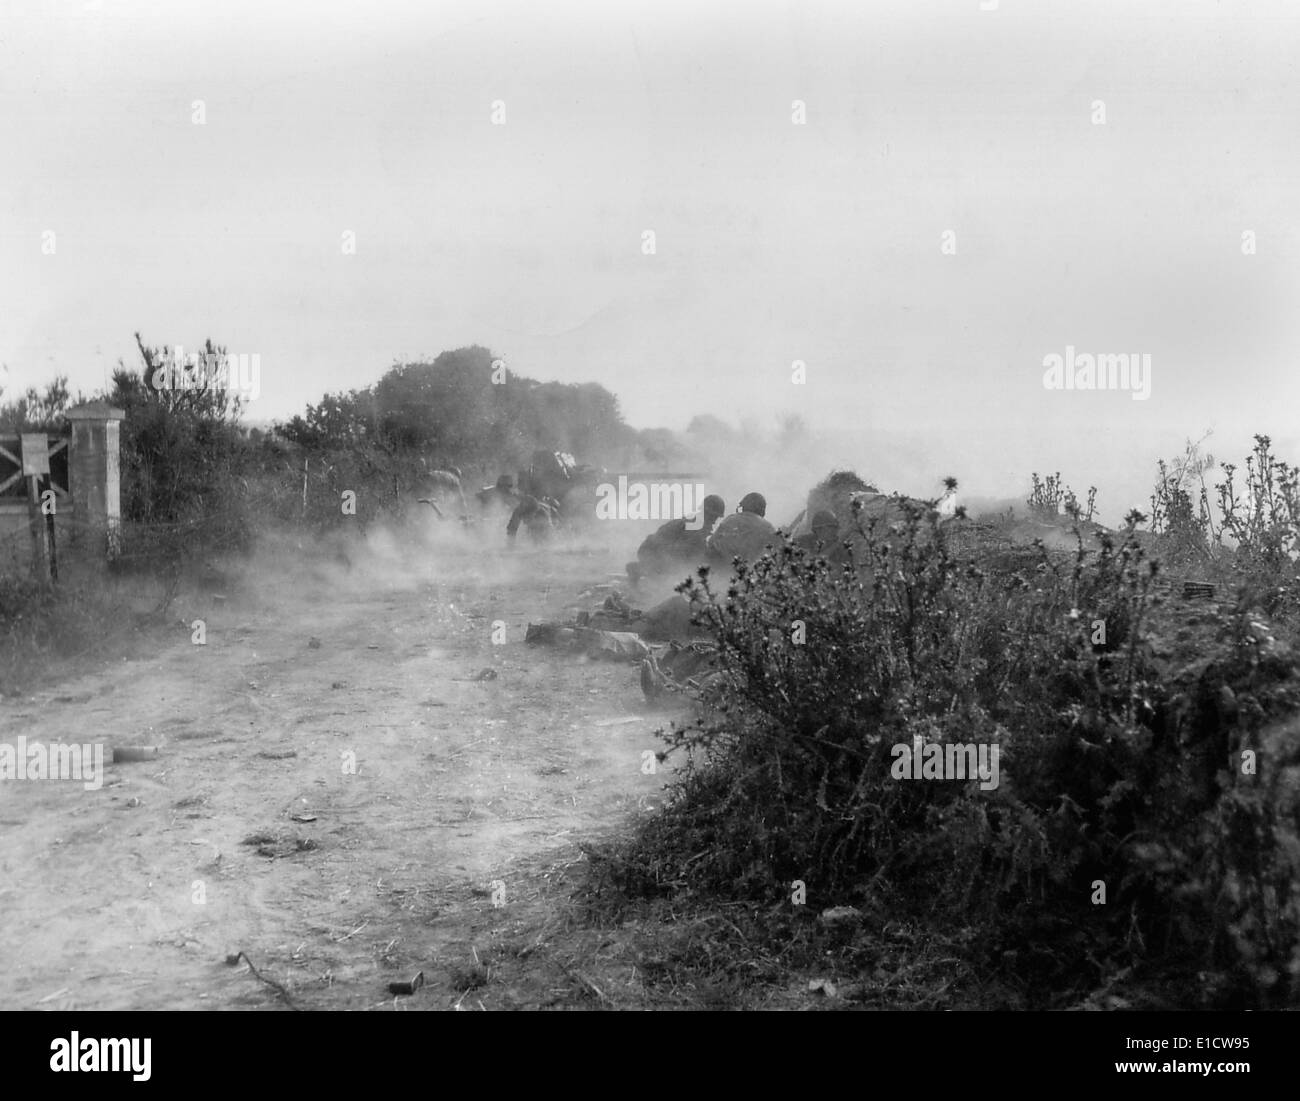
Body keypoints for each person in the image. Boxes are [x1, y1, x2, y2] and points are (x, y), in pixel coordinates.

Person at [626, 494, 726, 583]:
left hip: (652, 552)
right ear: (707, 513)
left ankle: (643, 570)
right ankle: (640, 570)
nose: (714, 522)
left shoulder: (694, 523)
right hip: (652, 553)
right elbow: (690, 555)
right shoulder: (694, 526)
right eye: (714, 517)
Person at [706, 492, 776, 565]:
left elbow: (711, 544)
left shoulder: (729, 521)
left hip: (721, 569)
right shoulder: (768, 528)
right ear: (762, 510)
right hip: (751, 573)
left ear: (743, 506)